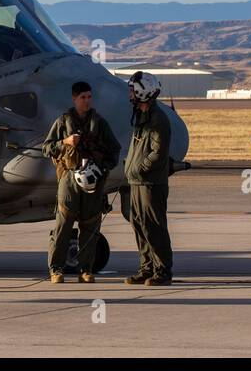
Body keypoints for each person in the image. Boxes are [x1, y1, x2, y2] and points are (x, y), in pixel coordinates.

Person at [44, 81, 120, 283]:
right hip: (69, 178)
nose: (86, 101)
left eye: (89, 97)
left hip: (94, 180)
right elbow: (47, 147)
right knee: (63, 224)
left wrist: (103, 168)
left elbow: (114, 149)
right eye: (82, 98)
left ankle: (85, 269)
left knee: (91, 225)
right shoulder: (63, 122)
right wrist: (65, 143)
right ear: (74, 99)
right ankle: (56, 269)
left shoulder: (100, 123)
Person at [123, 71, 174, 286]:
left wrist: (140, 169)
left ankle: (162, 271)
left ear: (143, 92)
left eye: (133, 91)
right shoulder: (142, 117)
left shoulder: (157, 119)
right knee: (139, 224)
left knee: (154, 226)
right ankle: (147, 268)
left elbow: (157, 152)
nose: (130, 95)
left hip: (150, 183)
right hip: (137, 182)